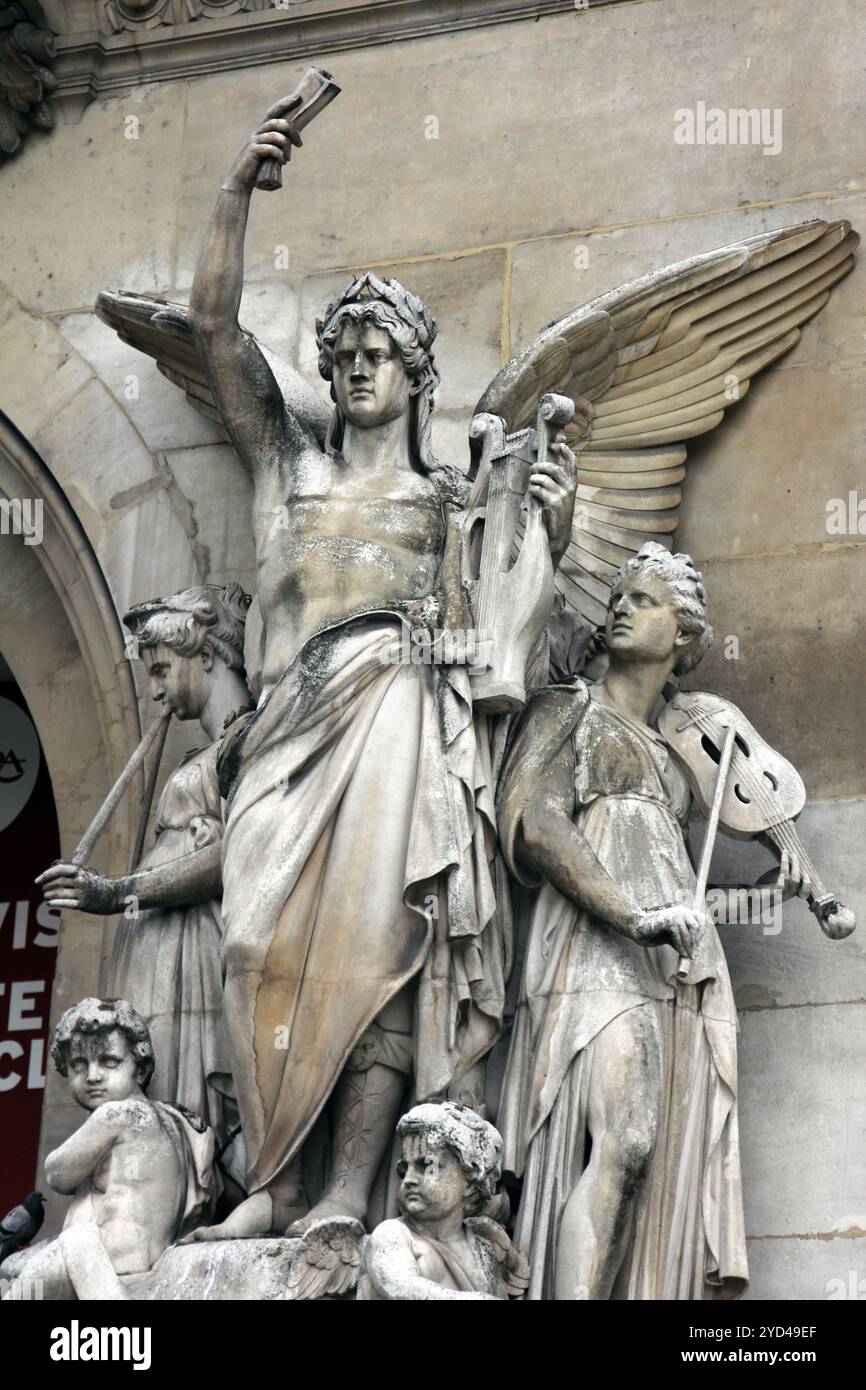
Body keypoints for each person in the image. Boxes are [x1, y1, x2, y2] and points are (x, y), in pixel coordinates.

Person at [182, 95, 577, 1238]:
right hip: (287, 736)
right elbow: (211, 329)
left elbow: (516, 640)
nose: (356, 368)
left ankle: (345, 1193)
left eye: (378, 354)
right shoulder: (284, 469)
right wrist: (235, 189)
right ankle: (270, 1177)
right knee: (254, 948)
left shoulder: (445, 499)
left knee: (383, 949)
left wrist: (544, 522)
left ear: (415, 376)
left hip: (396, 714)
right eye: (341, 353)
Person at [496, 542, 798, 1300]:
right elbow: (540, 825)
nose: (622, 607)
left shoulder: (676, 764)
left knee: (651, 1155)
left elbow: (686, 897)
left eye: (645, 599)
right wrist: (633, 918)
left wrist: (767, 894)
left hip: (671, 964)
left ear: (686, 637)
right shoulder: (569, 710)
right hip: (592, 951)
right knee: (625, 1139)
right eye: (620, 595)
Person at [37, 584, 253, 1151]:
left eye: (160, 669)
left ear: (204, 654)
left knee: (187, 1101)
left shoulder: (245, 742)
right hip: (161, 950)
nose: (153, 689)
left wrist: (115, 892)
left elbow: (233, 857)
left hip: (196, 953)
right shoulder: (201, 754)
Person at [0, 998, 214, 1300]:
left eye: (109, 1061)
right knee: (9, 1266)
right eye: (79, 1065)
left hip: (101, 1257)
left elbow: (58, 1173)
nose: (93, 1076)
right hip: (143, 1254)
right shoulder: (184, 1124)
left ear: (140, 1070)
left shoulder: (116, 1114)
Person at [358, 1101, 527, 1300]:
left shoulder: (483, 1247)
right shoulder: (393, 1234)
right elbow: (398, 1285)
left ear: (471, 1181)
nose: (409, 1180)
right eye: (404, 1169)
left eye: (427, 1166)